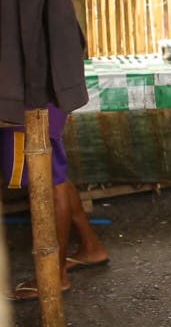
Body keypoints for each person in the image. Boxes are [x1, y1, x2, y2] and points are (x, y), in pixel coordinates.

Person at [3, 104, 110, 301]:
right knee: (53, 172)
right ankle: (91, 247)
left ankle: (54, 276)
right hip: (38, 100)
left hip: (26, 102)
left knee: (49, 179)